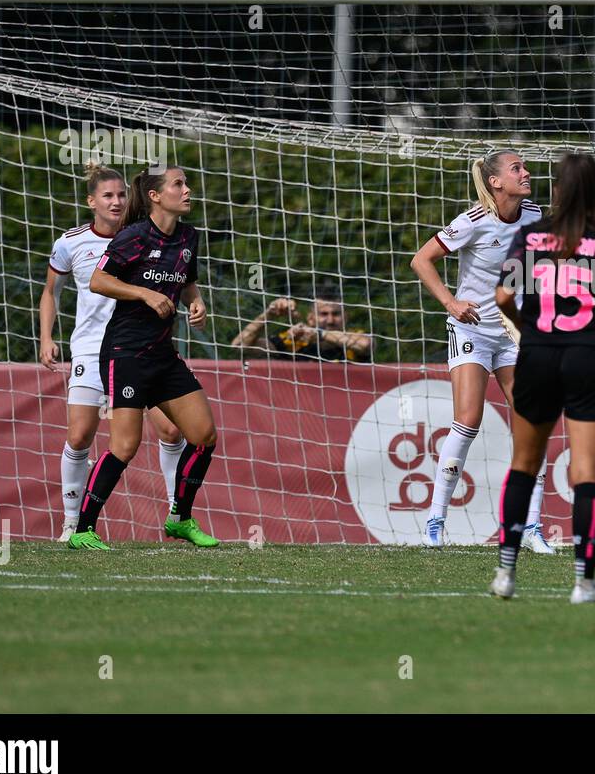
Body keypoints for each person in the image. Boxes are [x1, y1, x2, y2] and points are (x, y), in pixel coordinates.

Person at [491, 152, 595, 602]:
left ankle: (505, 573)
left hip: (538, 356)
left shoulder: (530, 236)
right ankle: (584, 582)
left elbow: (502, 297)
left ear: (557, 190)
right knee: (586, 473)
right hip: (589, 359)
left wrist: (527, 330)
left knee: (524, 464)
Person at [67, 165, 220, 550]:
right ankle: (82, 529)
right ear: (155, 196)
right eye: (178, 184)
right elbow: (99, 280)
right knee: (124, 446)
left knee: (203, 436)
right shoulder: (135, 236)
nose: (187, 190)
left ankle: (180, 519)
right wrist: (144, 294)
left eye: (186, 183)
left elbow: (187, 282)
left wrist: (197, 302)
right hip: (126, 354)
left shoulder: (188, 236)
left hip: (163, 355)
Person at [409, 150, 552, 552]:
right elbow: (421, 260)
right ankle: (435, 521)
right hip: (472, 329)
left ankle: (531, 527)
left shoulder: (534, 215)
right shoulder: (472, 221)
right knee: (468, 420)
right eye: (517, 168)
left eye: (525, 167)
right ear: (495, 181)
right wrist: (451, 303)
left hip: (514, 335)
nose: (526, 172)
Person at [39, 161, 186, 541]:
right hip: (91, 351)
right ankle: (72, 521)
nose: (116, 201)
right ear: (92, 201)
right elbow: (50, 293)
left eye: (121, 194)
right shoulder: (70, 242)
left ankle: (178, 512)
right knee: (79, 436)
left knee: (171, 430)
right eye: (107, 195)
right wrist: (46, 337)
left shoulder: (144, 236)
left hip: (139, 348)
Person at [231, 295, 371, 361]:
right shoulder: (295, 341)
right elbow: (239, 346)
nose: (330, 320)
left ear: (345, 317)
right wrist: (269, 314)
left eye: (336, 314)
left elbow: (365, 345)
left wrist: (319, 334)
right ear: (311, 318)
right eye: (323, 314)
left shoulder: (355, 336)